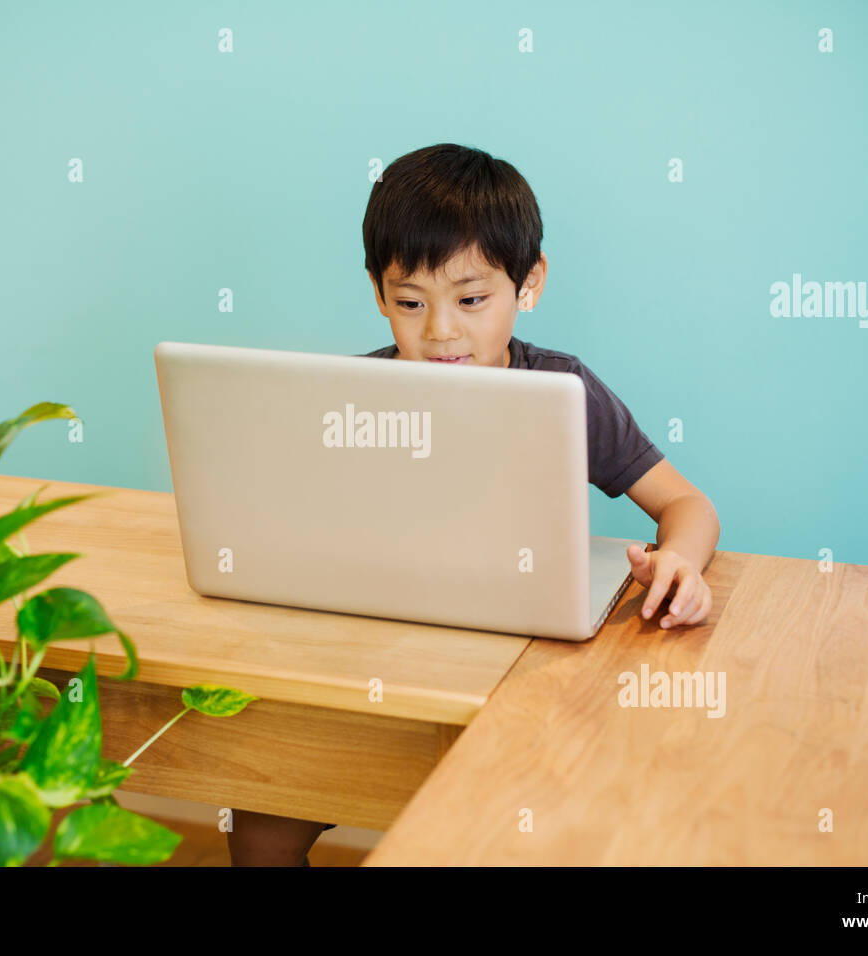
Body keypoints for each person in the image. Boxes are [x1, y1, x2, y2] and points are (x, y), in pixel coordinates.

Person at [227, 143, 721, 866]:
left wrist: (680, 560)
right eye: (409, 302)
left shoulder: (564, 391)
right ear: (377, 292)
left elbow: (686, 502)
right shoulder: (348, 402)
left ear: (529, 283)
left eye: (471, 299)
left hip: (526, 679)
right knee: (259, 826)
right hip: (382, 665)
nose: (441, 332)